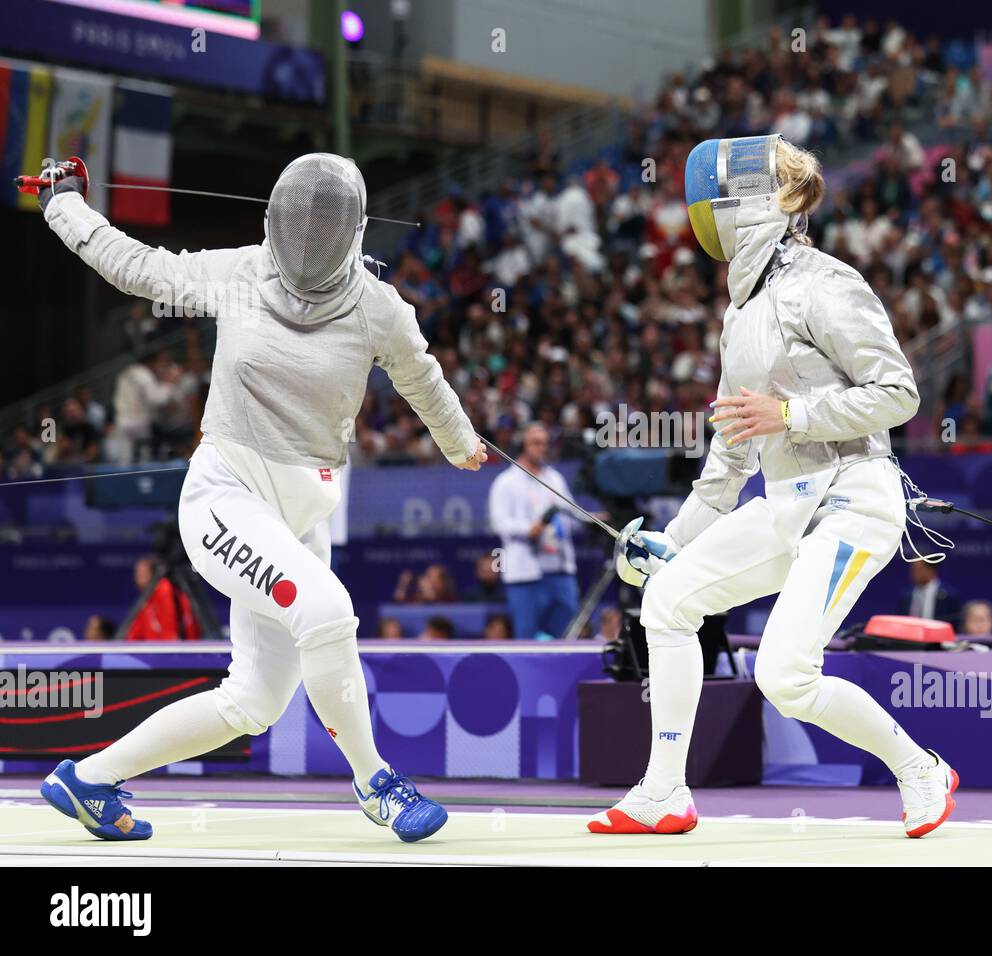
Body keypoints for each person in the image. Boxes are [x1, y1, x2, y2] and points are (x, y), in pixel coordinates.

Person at [29, 153, 486, 844]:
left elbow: (422, 378)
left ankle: (88, 779)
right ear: (275, 218)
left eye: (325, 221)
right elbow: (137, 265)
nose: (310, 235)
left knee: (253, 703)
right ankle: (376, 784)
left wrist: (459, 442)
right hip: (225, 499)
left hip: (300, 516)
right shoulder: (240, 273)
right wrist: (63, 205)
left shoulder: (377, 308)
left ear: (354, 229)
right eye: (301, 218)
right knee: (329, 610)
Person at [592, 135, 957, 840]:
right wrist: (669, 543)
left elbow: (899, 392)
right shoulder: (741, 315)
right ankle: (664, 791)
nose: (700, 219)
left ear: (750, 206)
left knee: (786, 675)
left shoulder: (827, 283)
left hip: (854, 499)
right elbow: (730, 460)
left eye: (709, 203)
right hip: (788, 505)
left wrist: (792, 413)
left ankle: (921, 770)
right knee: (665, 601)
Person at [488, 423, 584, 640]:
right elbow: (499, 522)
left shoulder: (555, 479)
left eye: (545, 443)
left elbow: (571, 512)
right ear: (524, 444)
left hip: (559, 567)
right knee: (527, 635)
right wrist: (529, 529)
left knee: (566, 627)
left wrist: (593, 519)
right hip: (526, 573)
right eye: (536, 443)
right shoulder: (506, 482)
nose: (542, 448)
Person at [124, 556, 199, 641]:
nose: (138, 576)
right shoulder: (146, 600)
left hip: (177, 649)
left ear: (153, 573)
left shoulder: (164, 589)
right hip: (153, 649)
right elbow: (134, 633)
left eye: (143, 572)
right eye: (137, 572)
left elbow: (170, 630)